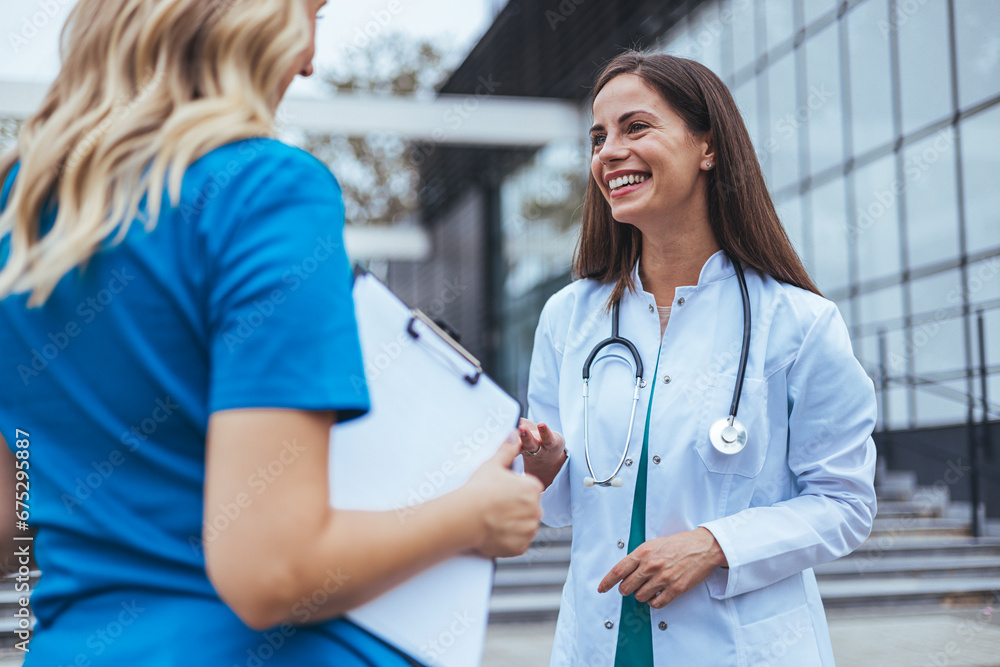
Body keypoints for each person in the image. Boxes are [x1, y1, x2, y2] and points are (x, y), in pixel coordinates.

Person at [0, 0, 542, 664]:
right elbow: (270, 569)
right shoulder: (262, 190)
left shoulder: (17, 216)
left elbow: (10, 518)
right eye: (311, 14)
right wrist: (475, 515)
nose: (310, 59)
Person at [518, 51, 877, 666]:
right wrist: (543, 467)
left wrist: (716, 544)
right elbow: (556, 507)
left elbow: (845, 505)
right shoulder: (568, 318)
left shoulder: (797, 323)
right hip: (598, 643)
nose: (607, 153)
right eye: (598, 137)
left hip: (741, 646)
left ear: (708, 147)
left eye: (636, 127)